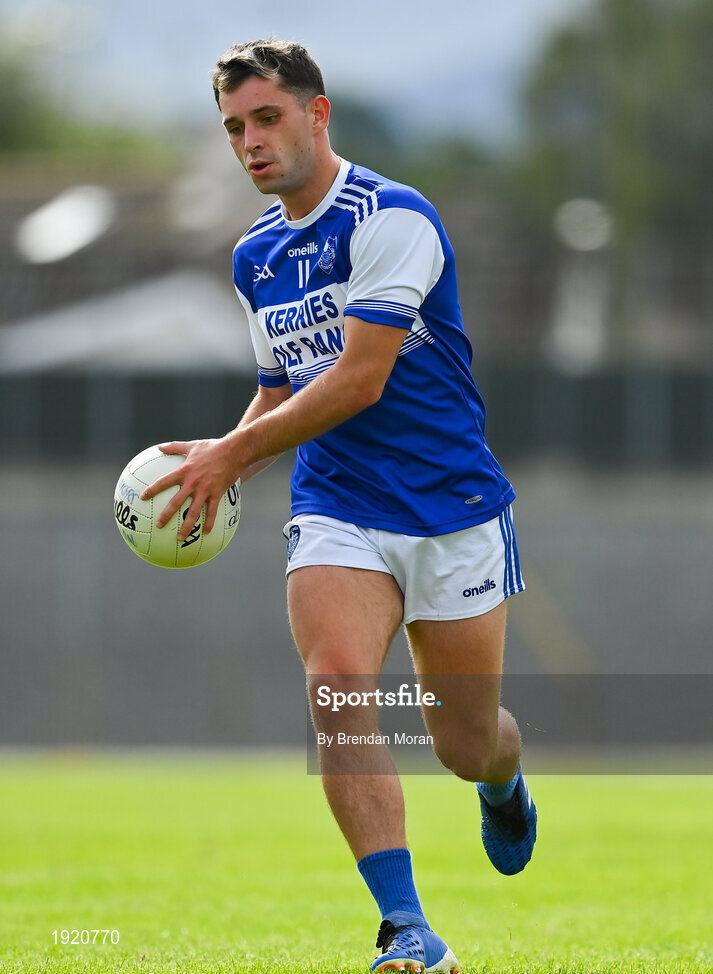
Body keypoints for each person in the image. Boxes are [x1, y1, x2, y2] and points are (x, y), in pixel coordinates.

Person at [141, 38, 536, 974]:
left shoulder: (391, 217)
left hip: (450, 507)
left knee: (466, 743)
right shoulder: (255, 257)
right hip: (338, 503)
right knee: (337, 692)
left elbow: (359, 377)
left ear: (317, 114)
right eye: (234, 127)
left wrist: (230, 455)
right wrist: (224, 460)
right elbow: (284, 389)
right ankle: (407, 930)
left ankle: (504, 784)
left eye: (267, 118)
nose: (250, 142)